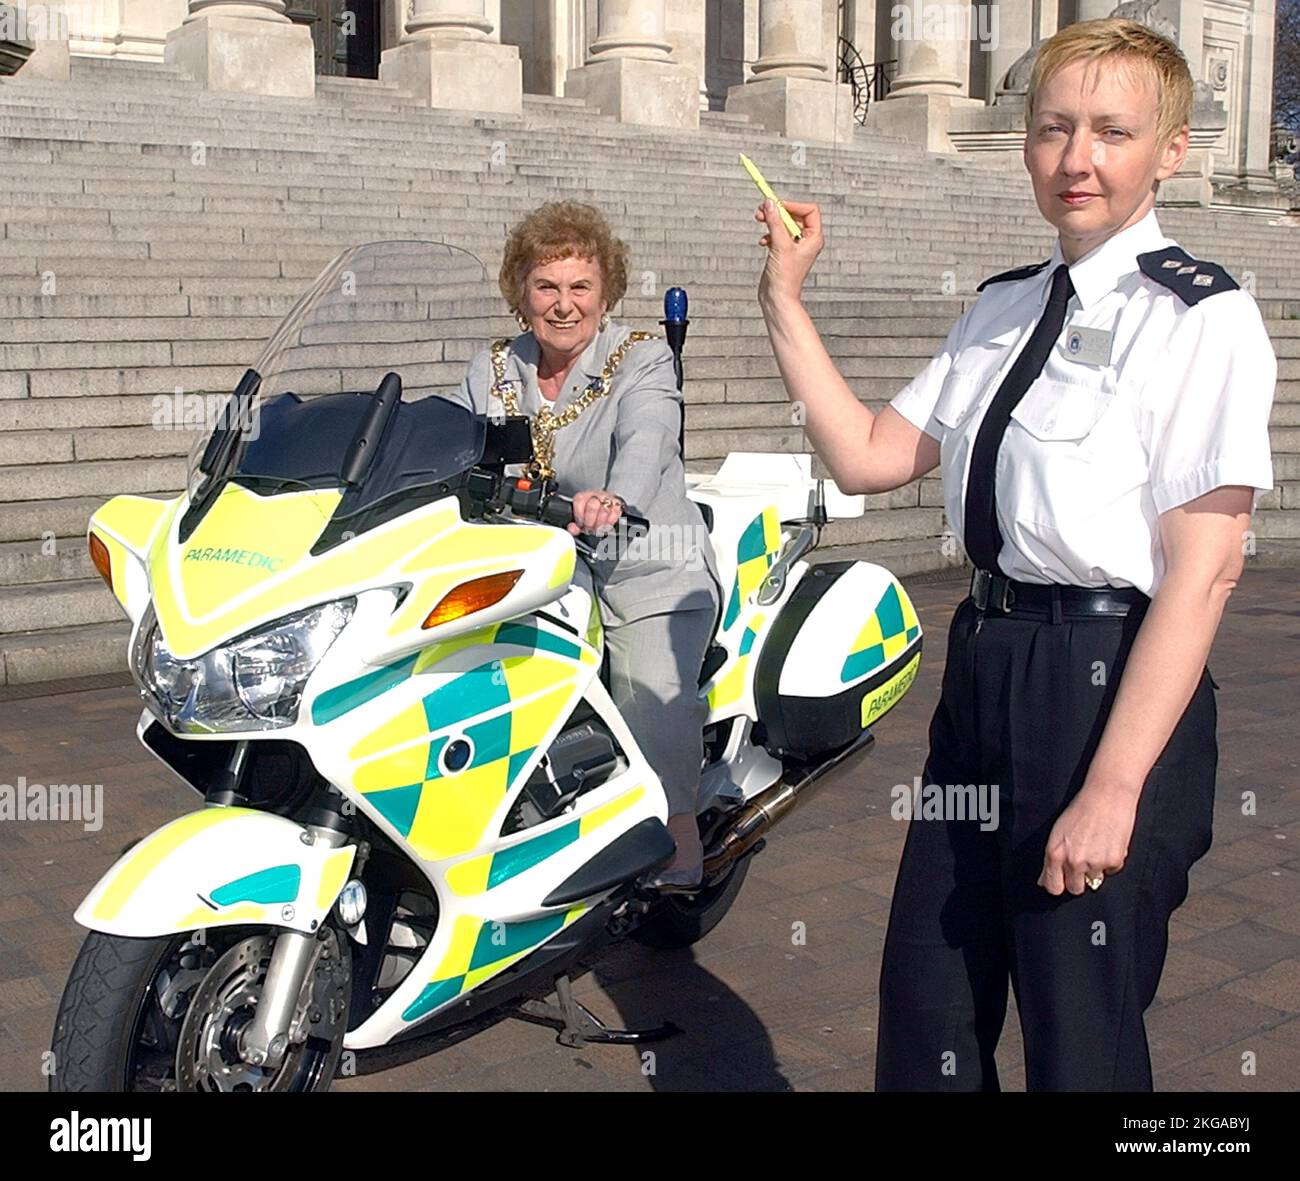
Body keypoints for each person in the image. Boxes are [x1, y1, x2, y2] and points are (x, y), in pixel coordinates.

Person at [752, 18, 1276, 1090]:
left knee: (1077, 1035)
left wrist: (1113, 786)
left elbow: (1206, 568)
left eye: (1111, 132)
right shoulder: (999, 307)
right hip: (983, 668)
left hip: (1103, 686)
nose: (1076, 158)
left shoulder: (1195, 318)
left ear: (1168, 151)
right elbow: (867, 456)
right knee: (926, 999)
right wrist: (784, 300)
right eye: (1052, 129)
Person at [456, 200, 722, 890]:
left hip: (645, 559)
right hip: (538, 565)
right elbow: (453, 445)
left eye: (581, 287)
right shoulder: (491, 369)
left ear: (605, 294)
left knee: (647, 691)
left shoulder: (640, 357)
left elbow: (648, 435)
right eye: (547, 286)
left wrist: (616, 499)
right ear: (521, 292)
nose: (564, 305)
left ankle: (678, 826)